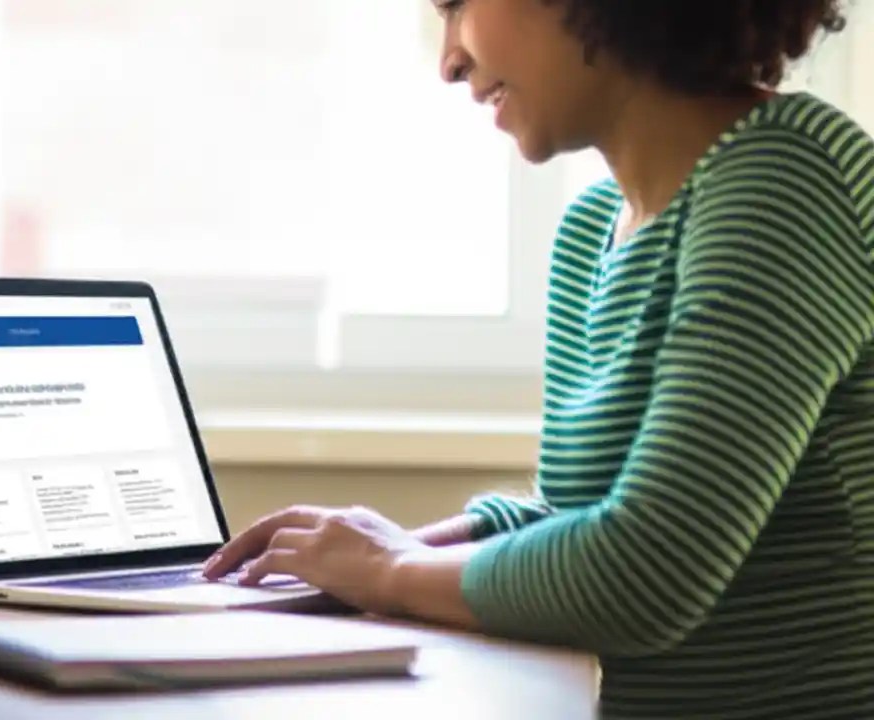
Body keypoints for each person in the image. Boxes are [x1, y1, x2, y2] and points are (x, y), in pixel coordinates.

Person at [202, 0, 874, 717]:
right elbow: (577, 518)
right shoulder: (591, 232)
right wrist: (362, 557)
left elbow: (647, 573)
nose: (449, 60)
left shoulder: (787, 180)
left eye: (459, 6)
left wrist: (390, 569)